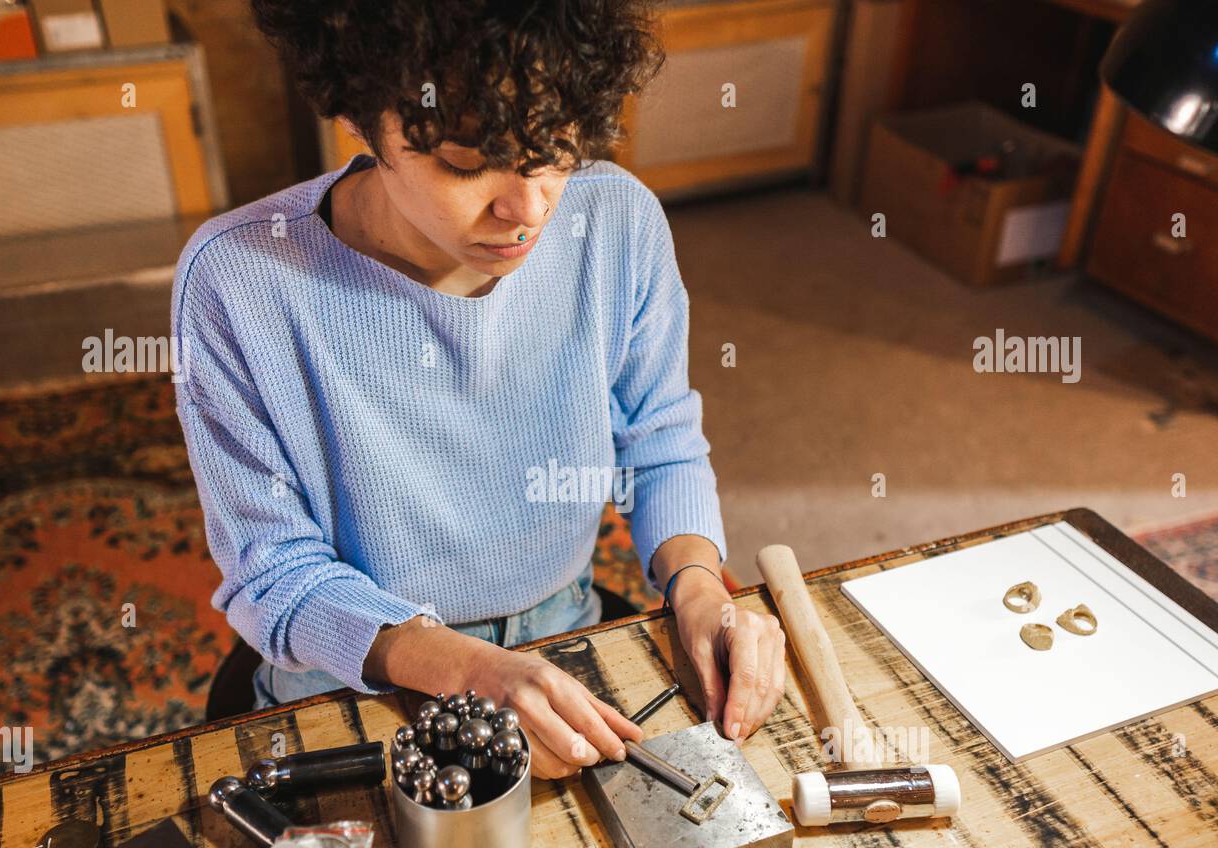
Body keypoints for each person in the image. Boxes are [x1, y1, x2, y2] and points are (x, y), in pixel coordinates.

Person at [172, 0, 786, 779]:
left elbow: (656, 439)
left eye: (556, 149)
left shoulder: (617, 219)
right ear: (360, 119)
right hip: (358, 674)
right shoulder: (240, 279)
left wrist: (700, 584)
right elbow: (275, 575)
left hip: (562, 629)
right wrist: (464, 669)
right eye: (467, 163)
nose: (527, 212)